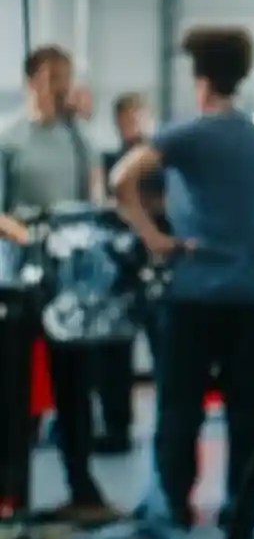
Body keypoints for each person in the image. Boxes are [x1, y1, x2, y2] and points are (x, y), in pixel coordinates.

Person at [105, 26, 254, 539]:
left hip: (190, 297)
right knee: (244, 416)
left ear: (200, 78)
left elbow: (123, 179)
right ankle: (241, 516)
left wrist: (155, 238)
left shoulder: (185, 135)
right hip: (248, 299)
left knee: (179, 412)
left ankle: (174, 514)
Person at [0, 45, 119, 527]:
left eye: (68, 79)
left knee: (75, 386)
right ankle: (10, 491)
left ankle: (82, 487)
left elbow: (93, 195)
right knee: (10, 391)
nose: (63, 89)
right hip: (17, 278)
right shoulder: (10, 138)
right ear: (34, 80)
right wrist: (27, 233)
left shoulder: (78, 140)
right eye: (55, 79)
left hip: (69, 283)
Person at [93, 93, 162, 455]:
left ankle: (170, 426)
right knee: (114, 354)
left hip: (157, 266)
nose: (132, 126)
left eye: (138, 117)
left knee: (164, 348)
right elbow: (103, 203)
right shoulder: (109, 162)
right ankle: (116, 427)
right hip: (118, 268)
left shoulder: (163, 162)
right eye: (126, 118)